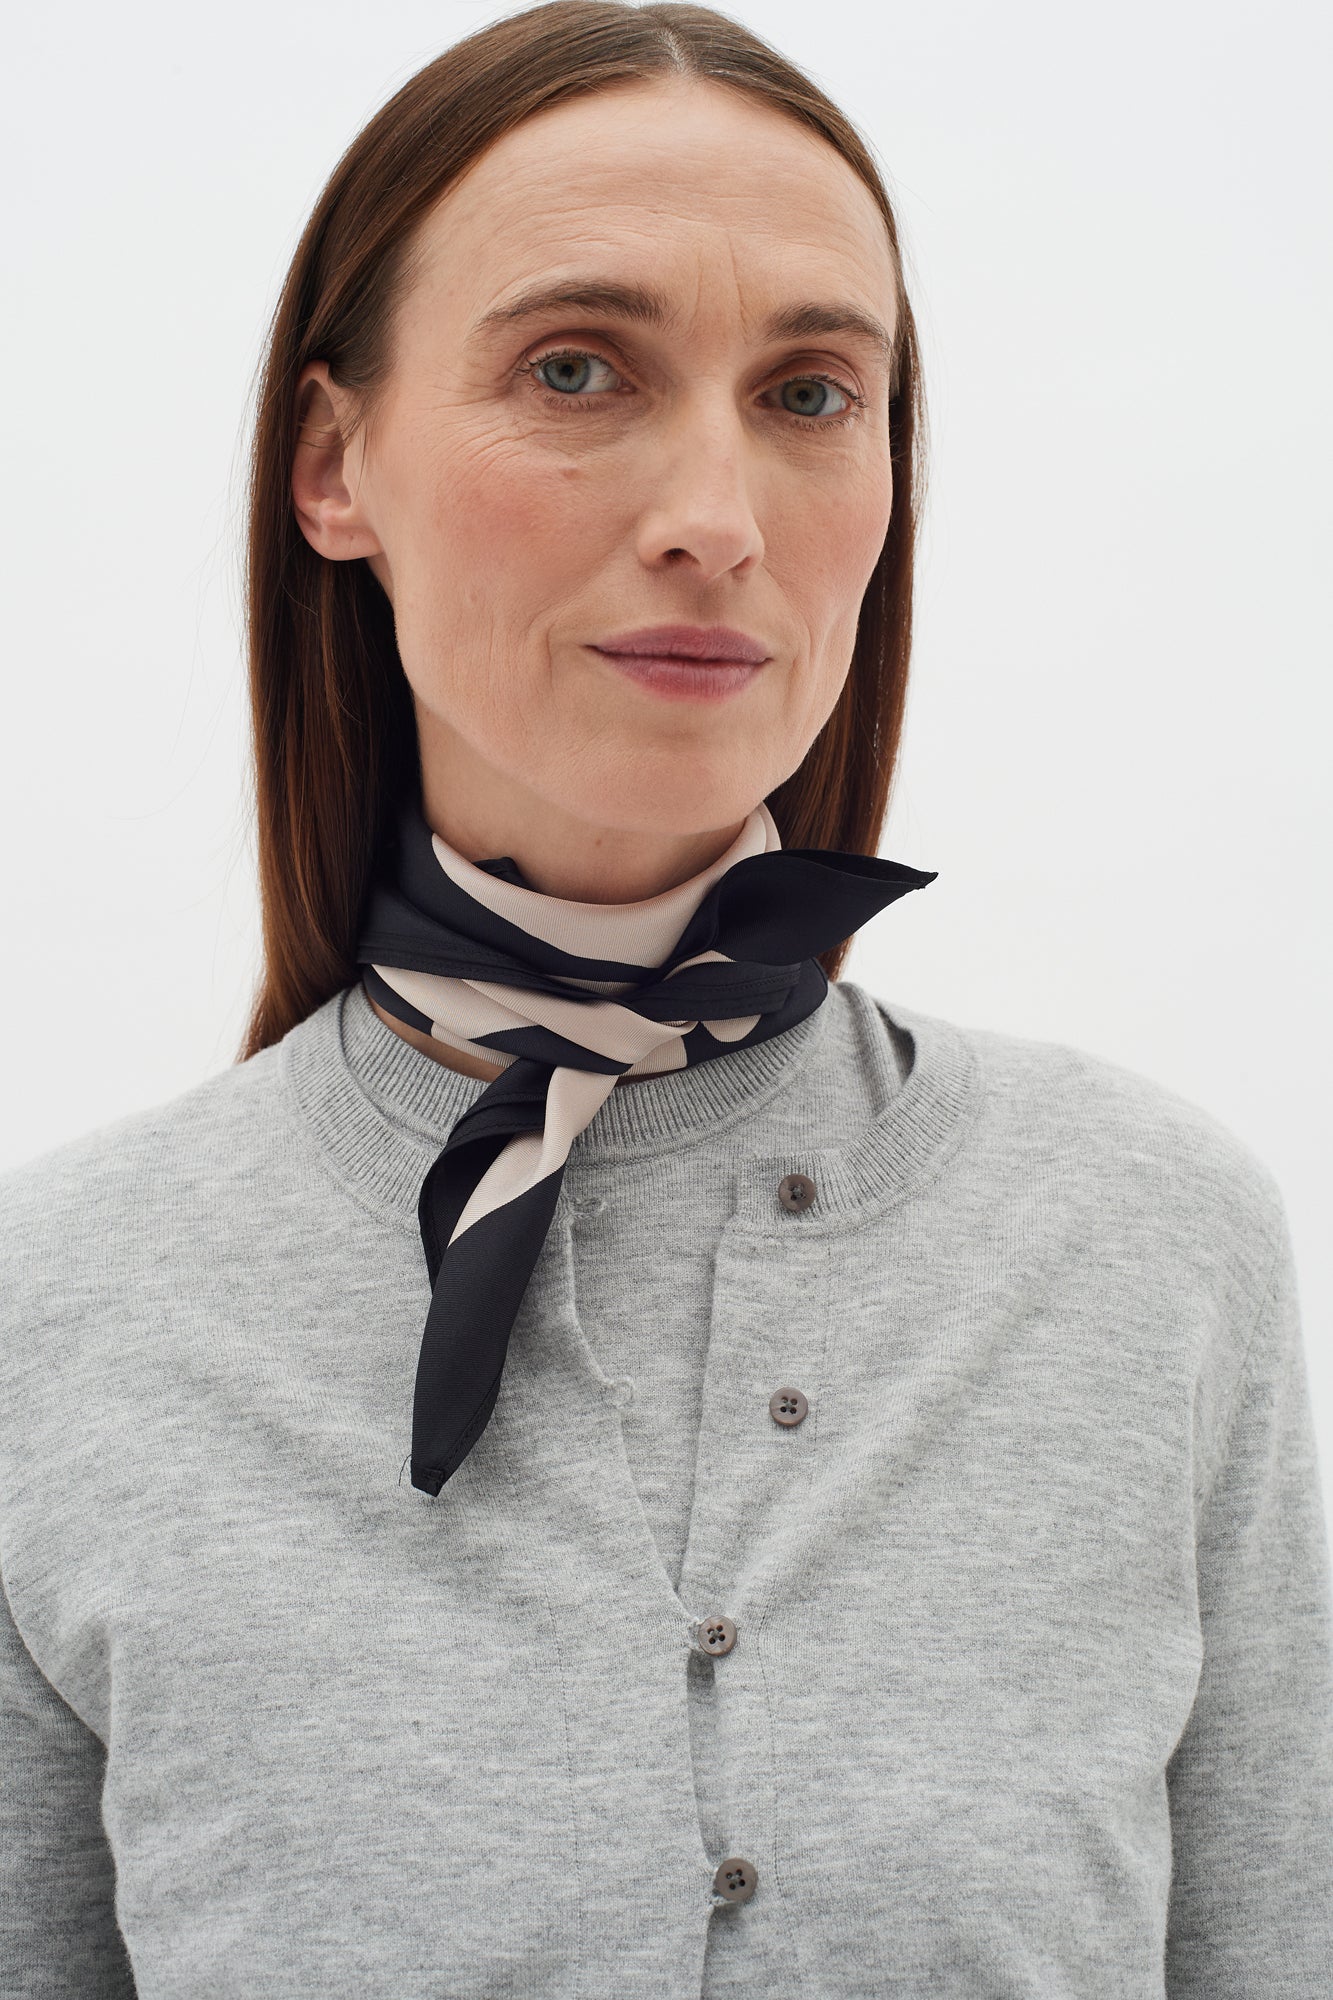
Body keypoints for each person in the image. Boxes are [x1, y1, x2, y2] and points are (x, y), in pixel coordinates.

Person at [1, 1, 1329, 1992]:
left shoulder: (1150, 1243)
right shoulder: (57, 1317)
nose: (717, 512)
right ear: (333, 465)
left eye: (808, 392)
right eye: (574, 367)